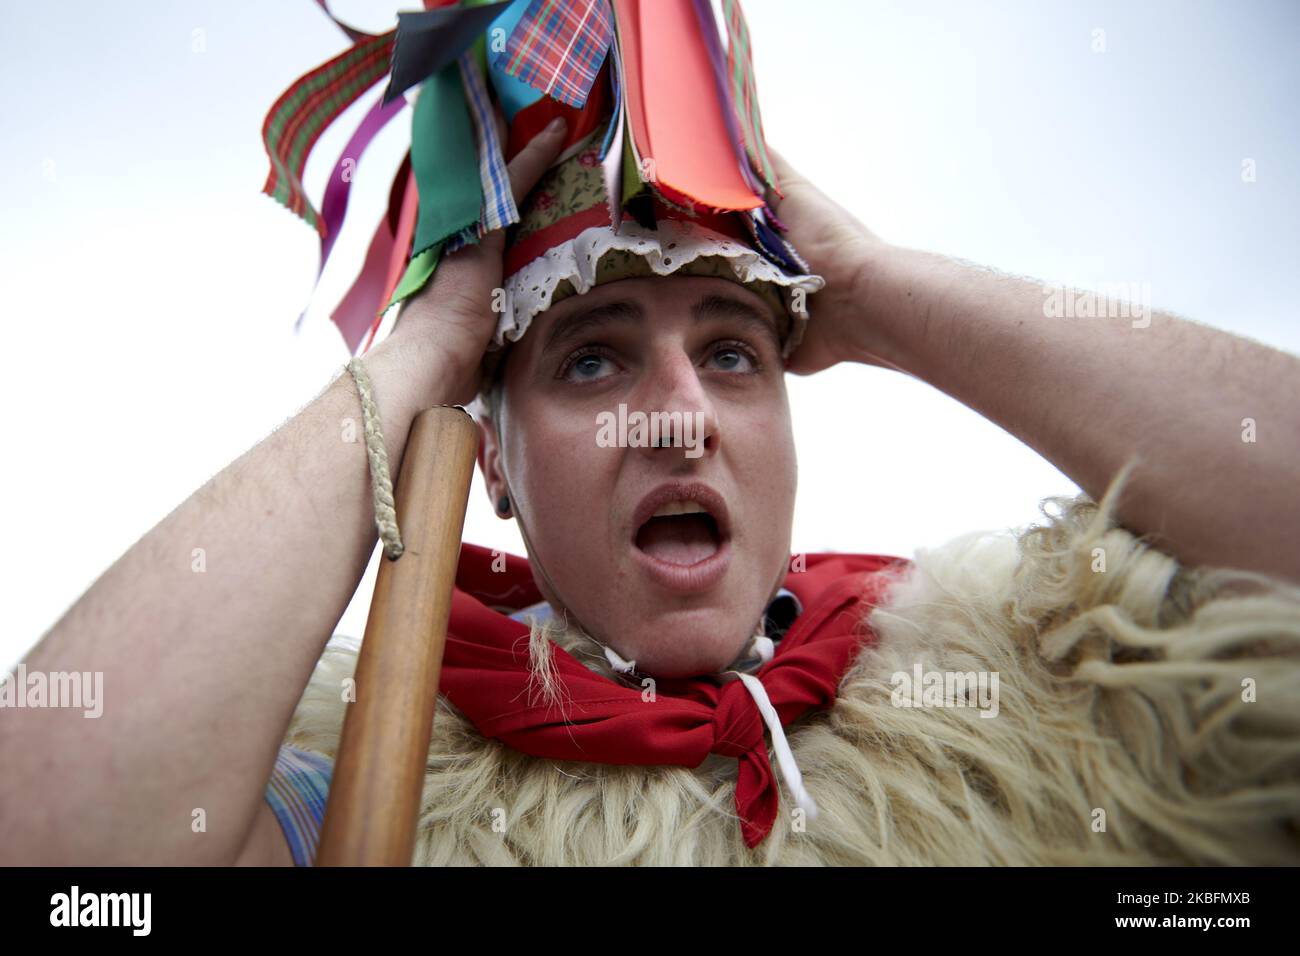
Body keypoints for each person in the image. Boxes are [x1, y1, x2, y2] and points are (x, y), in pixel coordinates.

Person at [4, 3, 1300, 866]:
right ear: (494, 462)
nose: (678, 414)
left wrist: (876, 285)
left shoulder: (1021, 711)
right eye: (590, 358)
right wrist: (425, 354)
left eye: (733, 352)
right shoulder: (371, 781)